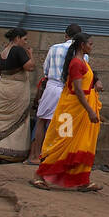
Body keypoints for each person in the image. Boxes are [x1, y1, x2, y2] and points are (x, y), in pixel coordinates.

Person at [32, 34, 102, 191]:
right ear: (82, 45)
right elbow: (77, 90)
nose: (91, 47)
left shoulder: (82, 62)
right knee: (61, 143)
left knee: (80, 143)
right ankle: (39, 175)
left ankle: (82, 180)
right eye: (90, 44)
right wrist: (90, 110)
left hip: (78, 110)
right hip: (70, 111)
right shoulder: (77, 63)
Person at [28, 22, 83, 165]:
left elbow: (46, 70)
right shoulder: (81, 54)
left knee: (41, 120)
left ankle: (36, 155)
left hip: (52, 87)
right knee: (66, 122)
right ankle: (60, 157)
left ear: (66, 36)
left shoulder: (54, 48)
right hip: (68, 90)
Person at [0, 28, 36, 161]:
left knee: (1, 121)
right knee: (17, 122)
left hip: (2, 89)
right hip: (15, 90)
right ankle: (11, 154)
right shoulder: (18, 50)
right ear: (17, 38)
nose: (26, 42)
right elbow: (30, 67)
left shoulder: (3, 51)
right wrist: (31, 54)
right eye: (25, 39)